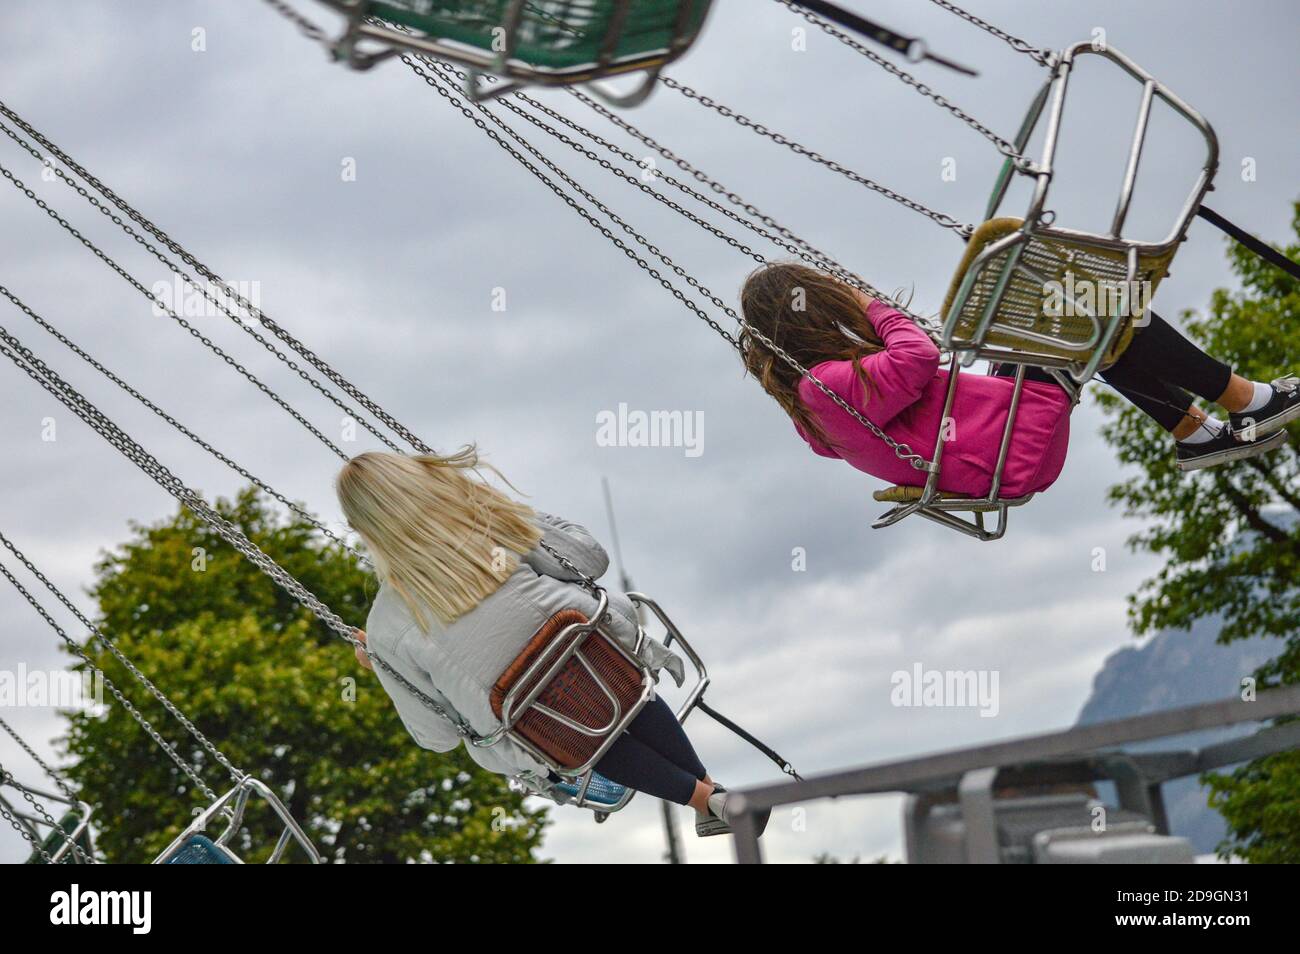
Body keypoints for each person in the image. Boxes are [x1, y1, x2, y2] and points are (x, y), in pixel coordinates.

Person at [336, 448, 768, 838]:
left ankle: (710, 801)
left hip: (544, 732)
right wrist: (501, 510)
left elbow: (437, 736)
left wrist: (382, 667)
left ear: (364, 529)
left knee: (563, 730)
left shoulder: (386, 629)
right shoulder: (487, 530)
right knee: (612, 686)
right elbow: (591, 559)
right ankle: (711, 798)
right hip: (605, 661)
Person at [738, 264, 1298, 495]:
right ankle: (1251, 401)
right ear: (816, 316)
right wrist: (867, 301)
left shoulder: (810, 407)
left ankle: (1195, 435)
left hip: (996, 445)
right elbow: (916, 356)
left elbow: (901, 391)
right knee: (1105, 310)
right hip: (1007, 445)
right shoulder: (827, 388)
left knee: (1088, 332)